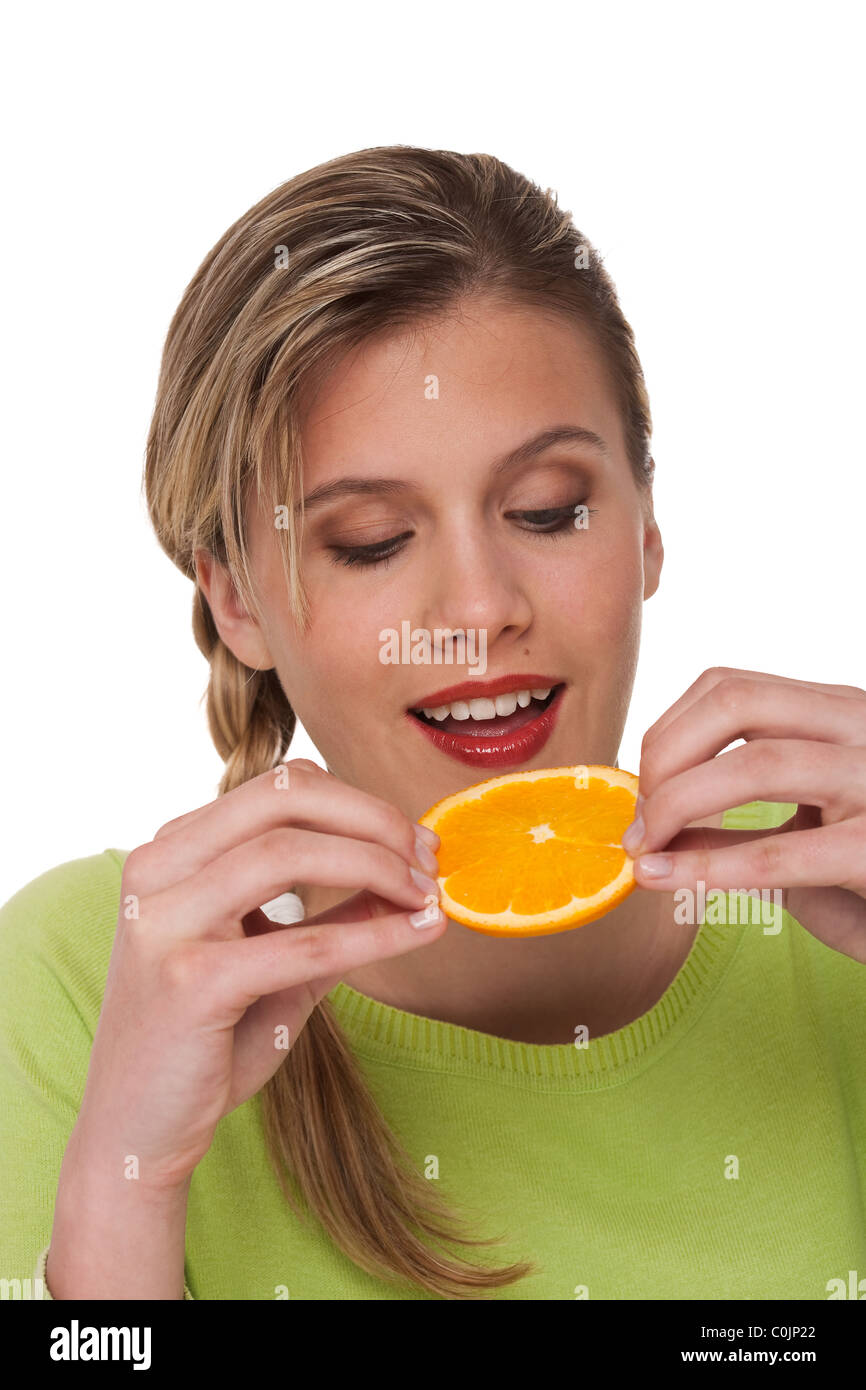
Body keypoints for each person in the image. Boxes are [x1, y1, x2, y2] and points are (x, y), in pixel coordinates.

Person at [2, 146, 864, 1302]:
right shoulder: (86, 976)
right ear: (236, 599)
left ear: (646, 526)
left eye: (547, 512)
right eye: (370, 539)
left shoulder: (831, 898)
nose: (475, 612)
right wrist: (131, 1183)